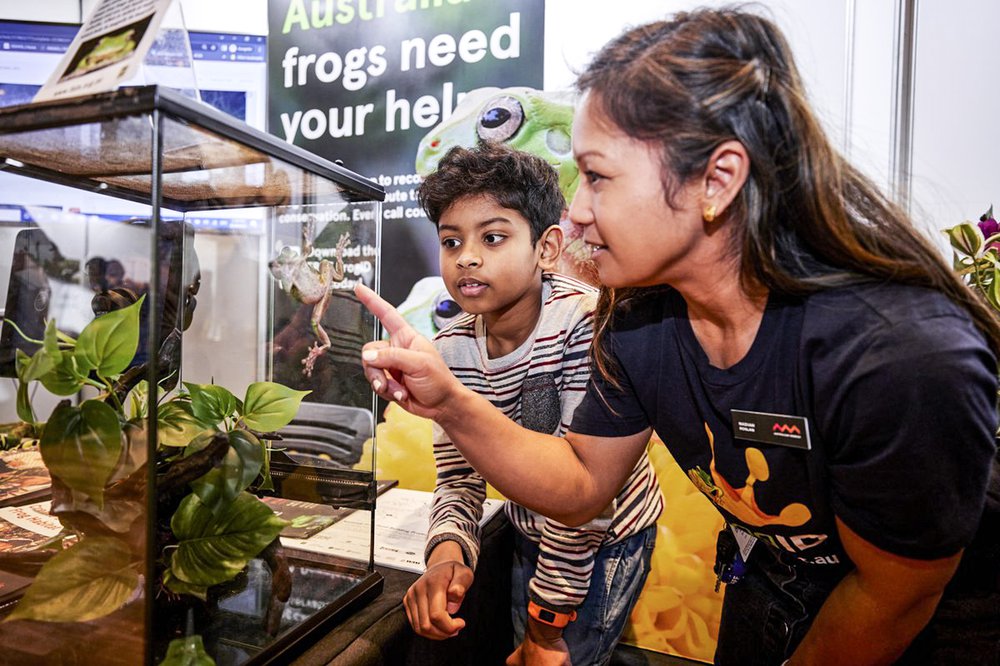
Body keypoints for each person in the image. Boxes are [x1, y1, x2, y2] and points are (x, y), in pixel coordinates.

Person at [357, 7, 1000, 665]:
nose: (575, 211)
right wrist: (449, 402)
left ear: (716, 180)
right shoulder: (637, 323)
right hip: (766, 582)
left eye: (598, 177)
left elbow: (895, 596)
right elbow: (580, 485)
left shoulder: (900, 356)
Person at [403, 142, 663, 666]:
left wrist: (546, 628)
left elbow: (582, 506)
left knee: (565, 652)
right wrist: (445, 556)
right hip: (531, 527)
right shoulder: (450, 347)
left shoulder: (584, 325)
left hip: (607, 537)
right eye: (451, 241)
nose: (467, 257)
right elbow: (458, 478)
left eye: (493, 237)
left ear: (546, 249)